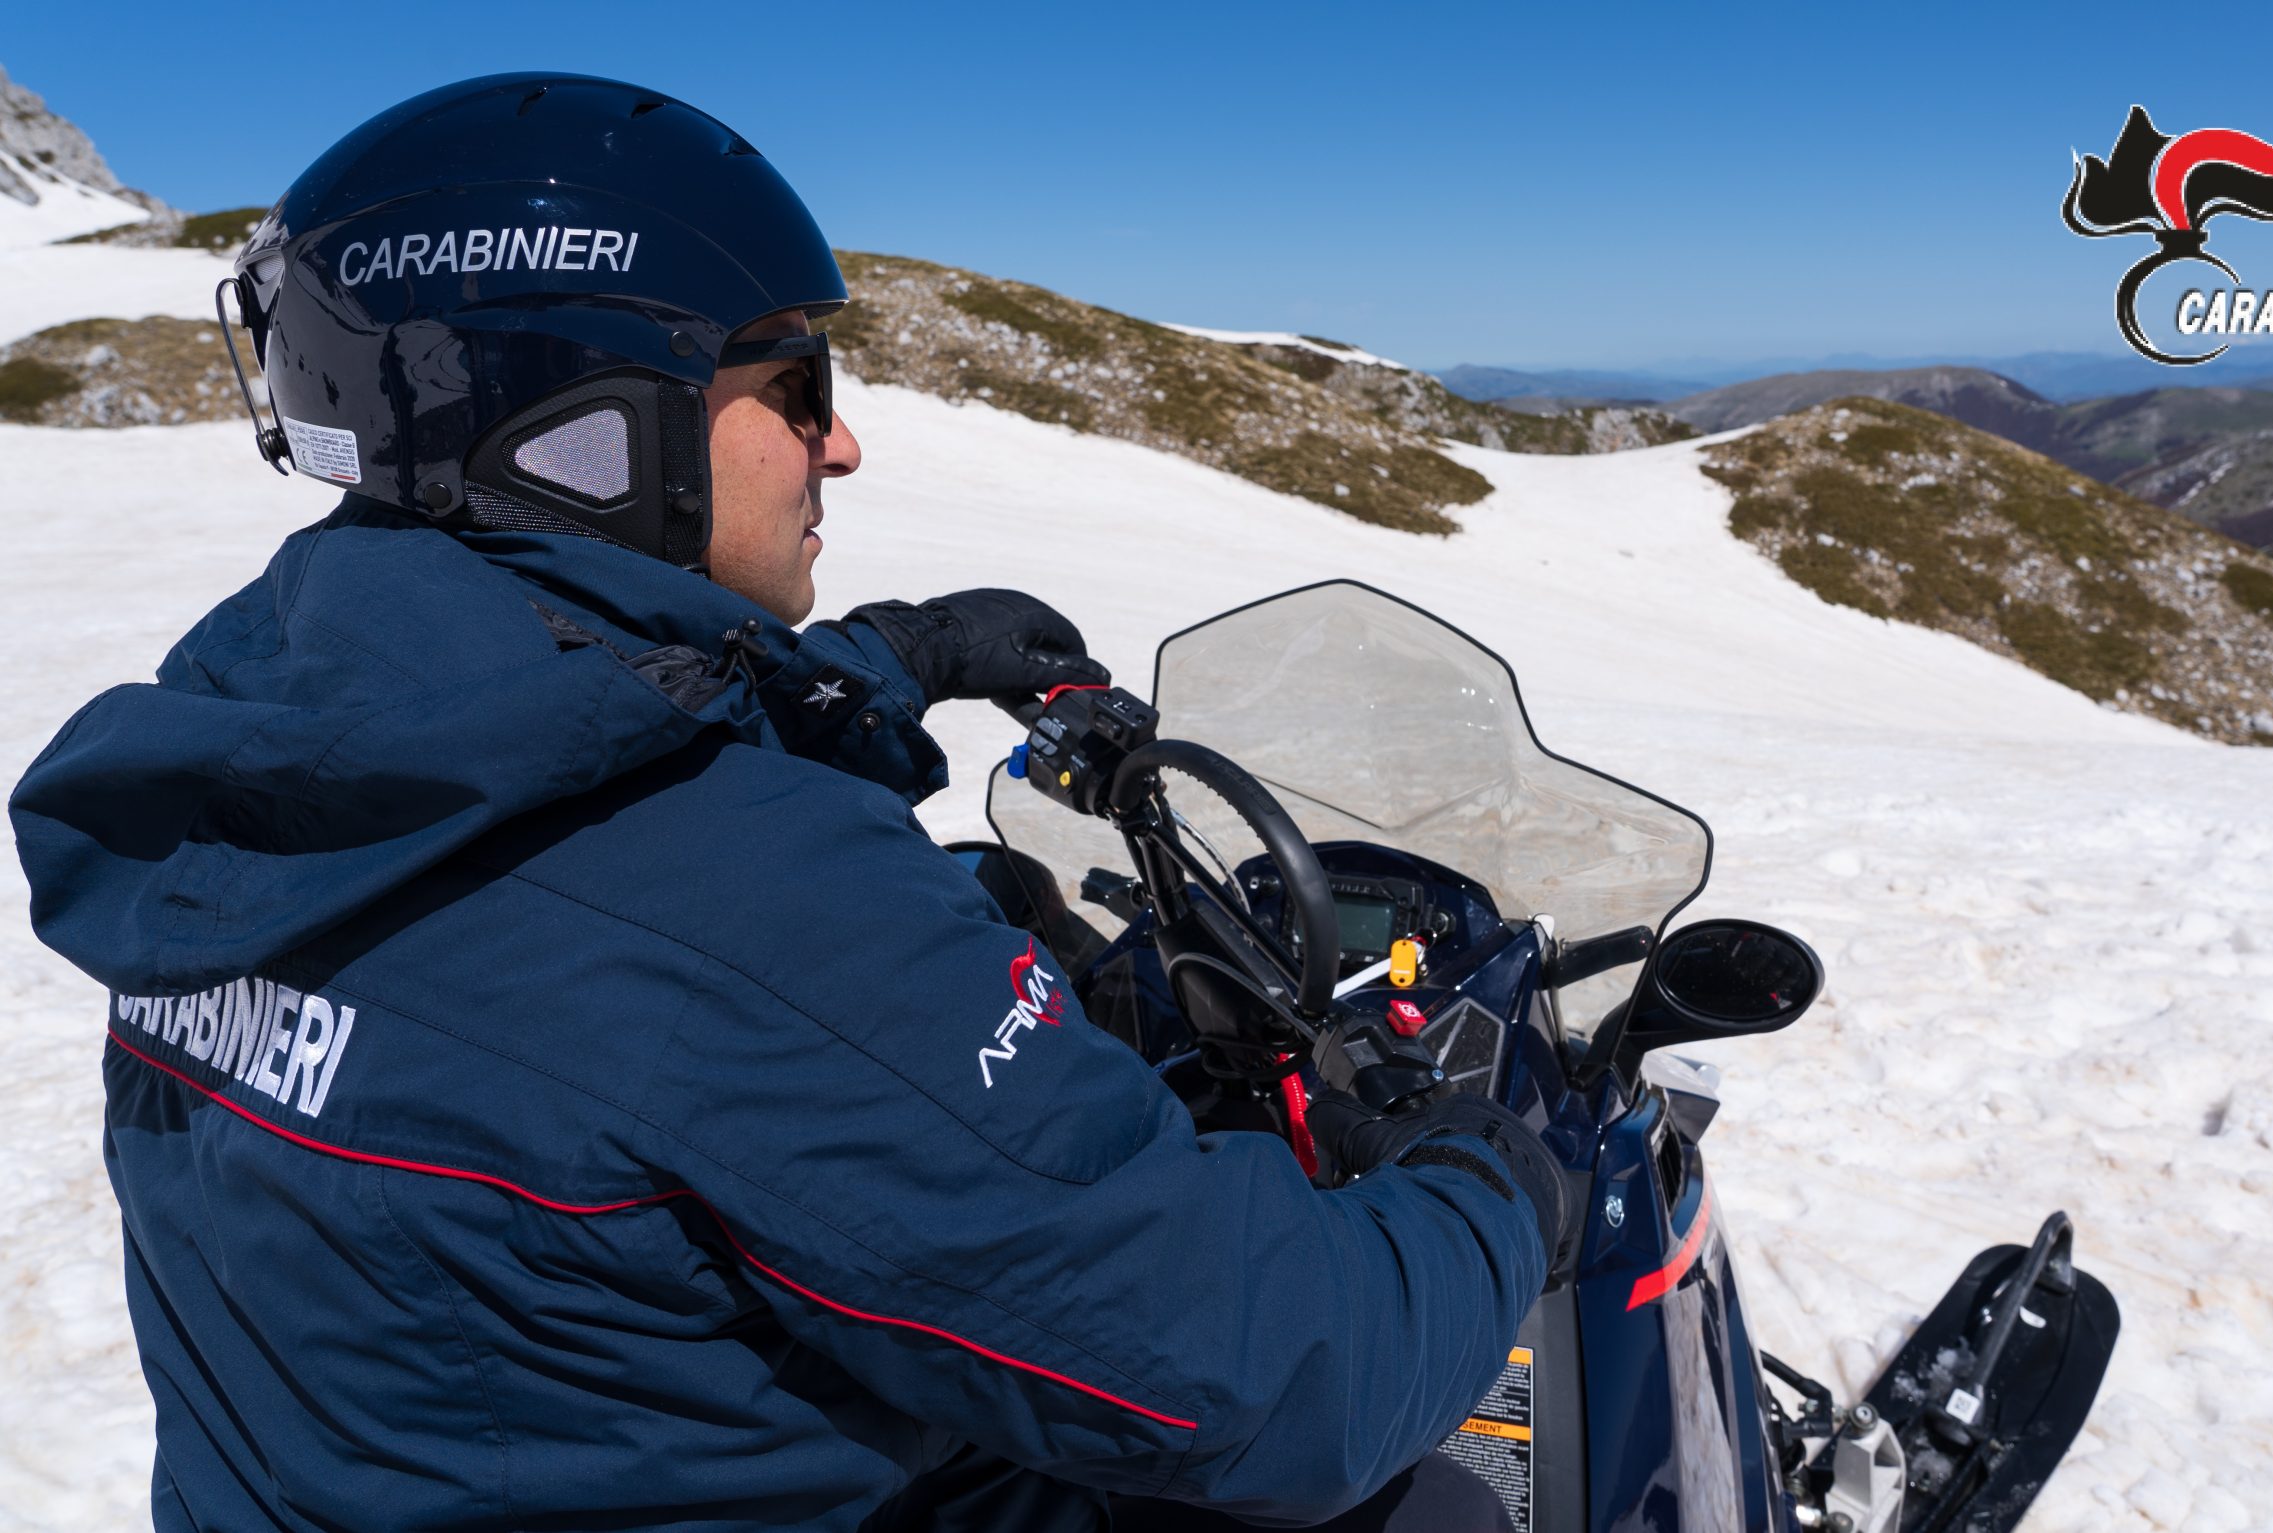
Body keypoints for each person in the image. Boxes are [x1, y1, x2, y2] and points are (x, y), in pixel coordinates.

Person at [9, 75, 1566, 1531]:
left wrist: (879, 665)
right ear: (588, 433)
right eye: (793, 382)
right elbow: (1266, 1369)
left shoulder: (251, 751)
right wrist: (1488, 1178)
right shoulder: (763, 911)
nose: (842, 439)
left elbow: (560, 784)